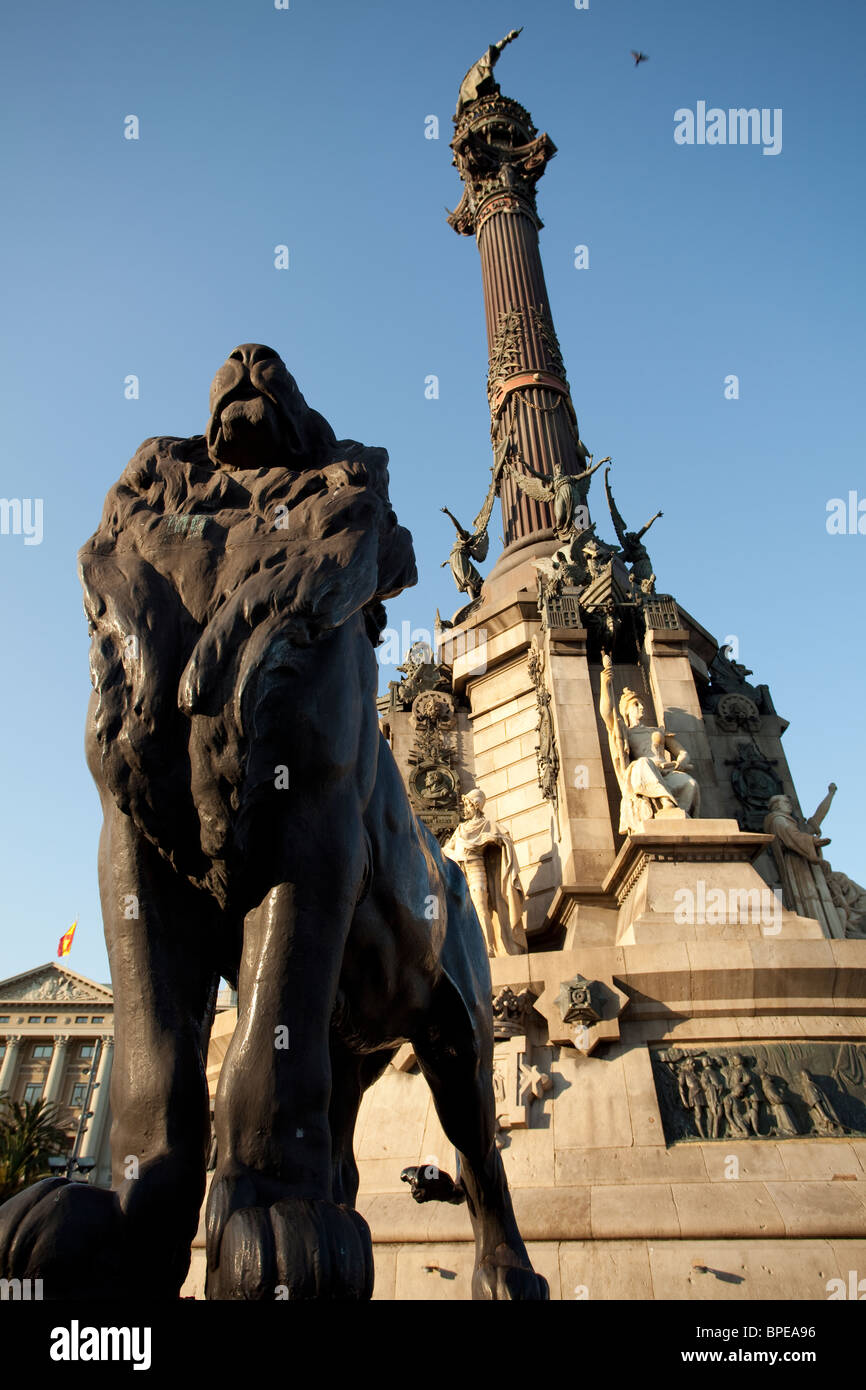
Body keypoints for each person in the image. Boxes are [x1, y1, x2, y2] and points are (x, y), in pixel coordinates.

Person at [443, 789, 526, 957]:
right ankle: (471, 949)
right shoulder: (460, 829)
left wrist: (492, 839)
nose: (465, 809)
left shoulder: (488, 826)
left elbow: (504, 839)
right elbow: (446, 850)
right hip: (460, 873)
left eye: (467, 805)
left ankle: (488, 948)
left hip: (476, 871)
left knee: (480, 909)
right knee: (466, 912)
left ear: (476, 805)